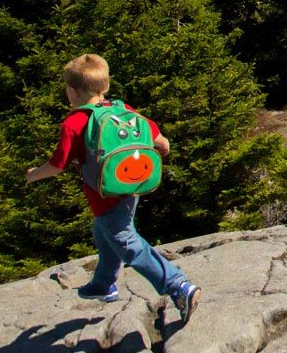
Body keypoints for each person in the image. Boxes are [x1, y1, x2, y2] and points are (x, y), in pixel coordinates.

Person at [24, 53, 197, 318]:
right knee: (103, 231)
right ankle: (103, 284)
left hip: (105, 196)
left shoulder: (74, 122)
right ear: (104, 87)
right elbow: (163, 143)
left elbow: (58, 165)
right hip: (131, 189)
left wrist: (33, 175)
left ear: (72, 91)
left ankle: (178, 286)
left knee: (126, 242)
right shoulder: (123, 110)